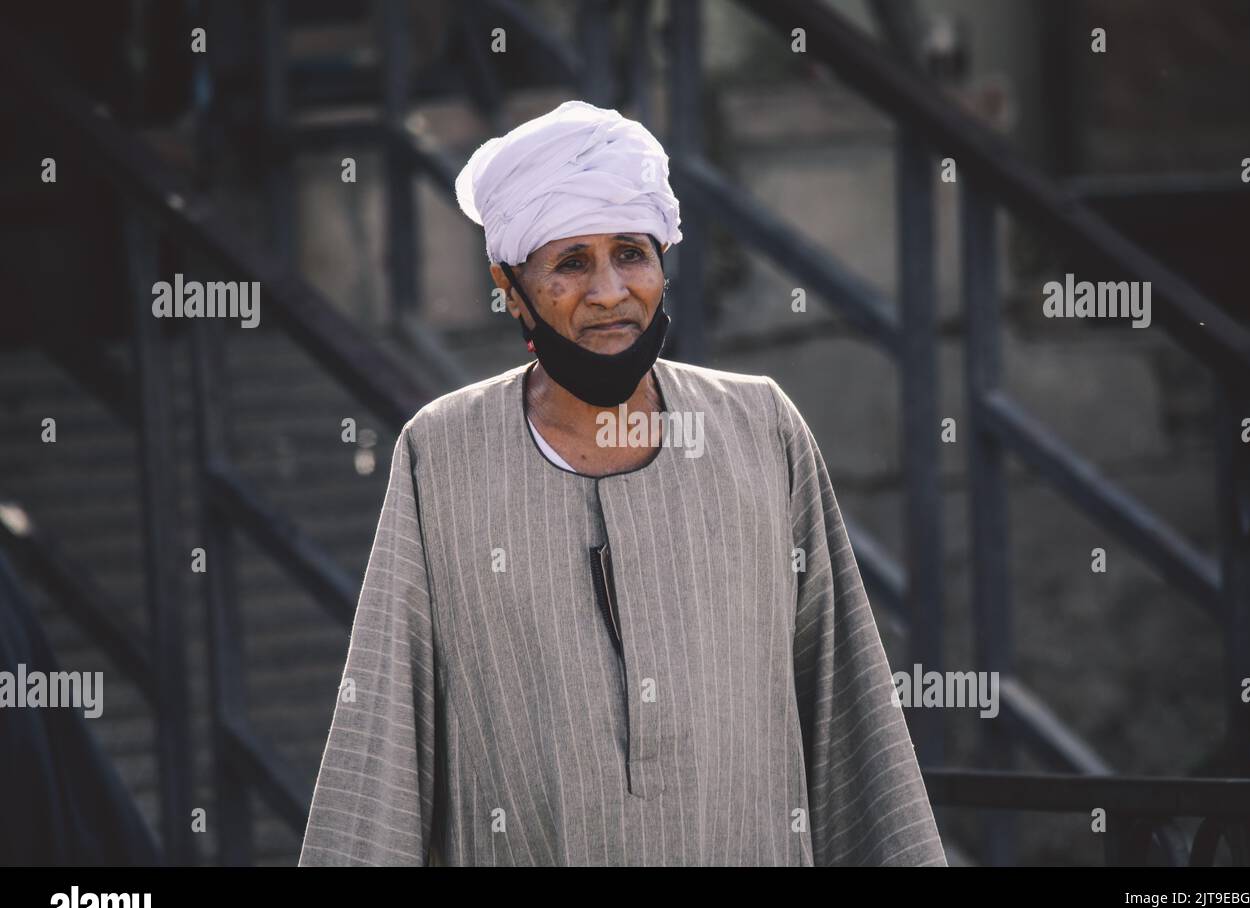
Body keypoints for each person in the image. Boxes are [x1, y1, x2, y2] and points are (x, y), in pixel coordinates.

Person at [298, 100, 945, 866]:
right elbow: (384, 733)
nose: (609, 291)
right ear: (511, 288)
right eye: (571, 263)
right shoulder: (439, 455)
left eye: (631, 254)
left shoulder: (760, 428)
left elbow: (850, 707)